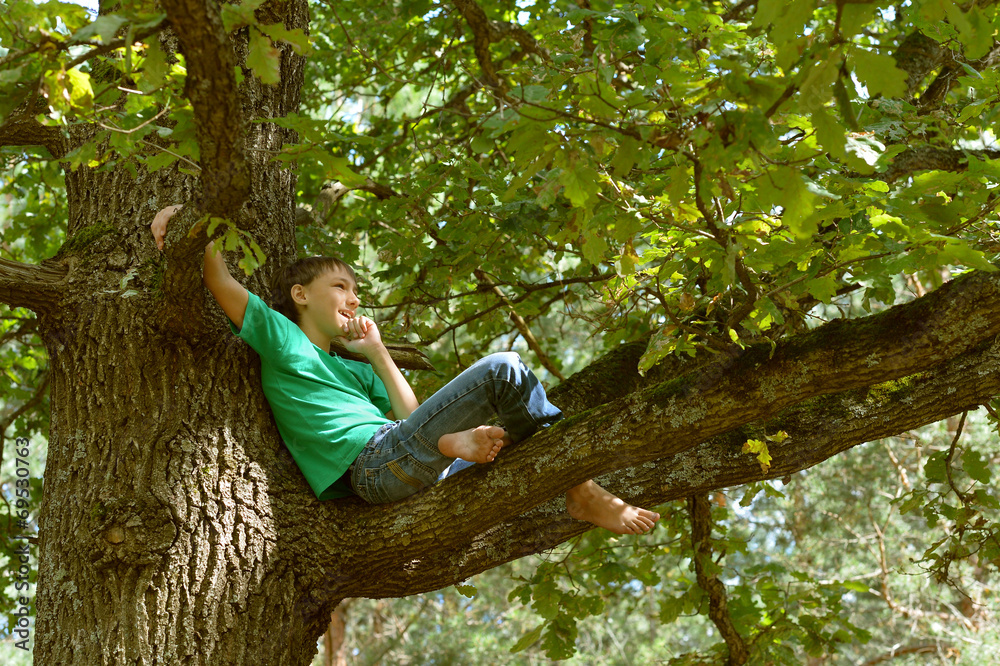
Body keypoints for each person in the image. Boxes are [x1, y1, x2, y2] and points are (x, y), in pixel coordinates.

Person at [151, 205, 660, 535]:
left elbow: (410, 417)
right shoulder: (284, 338)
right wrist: (190, 221)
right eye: (340, 287)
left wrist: (377, 354)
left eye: (355, 290)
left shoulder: (357, 370)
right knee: (504, 369)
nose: (353, 298)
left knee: (511, 432)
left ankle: (461, 450)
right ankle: (577, 487)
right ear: (301, 296)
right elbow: (220, 283)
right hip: (370, 470)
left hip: (406, 459)